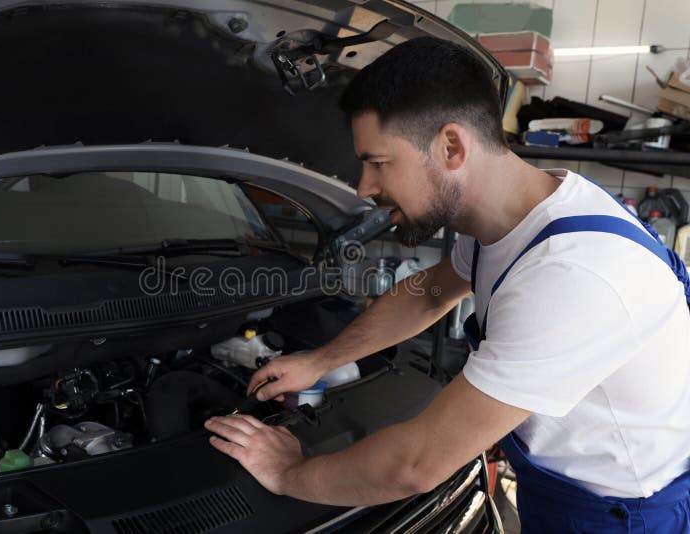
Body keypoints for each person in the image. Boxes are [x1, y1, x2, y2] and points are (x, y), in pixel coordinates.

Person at [203, 36, 690, 532]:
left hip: (623, 516)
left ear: (451, 146)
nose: (364, 187)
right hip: (563, 487)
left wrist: (289, 471)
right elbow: (429, 293)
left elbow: (418, 464)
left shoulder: (572, 276)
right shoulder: (512, 216)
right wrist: (320, 360)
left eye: (377, 162)